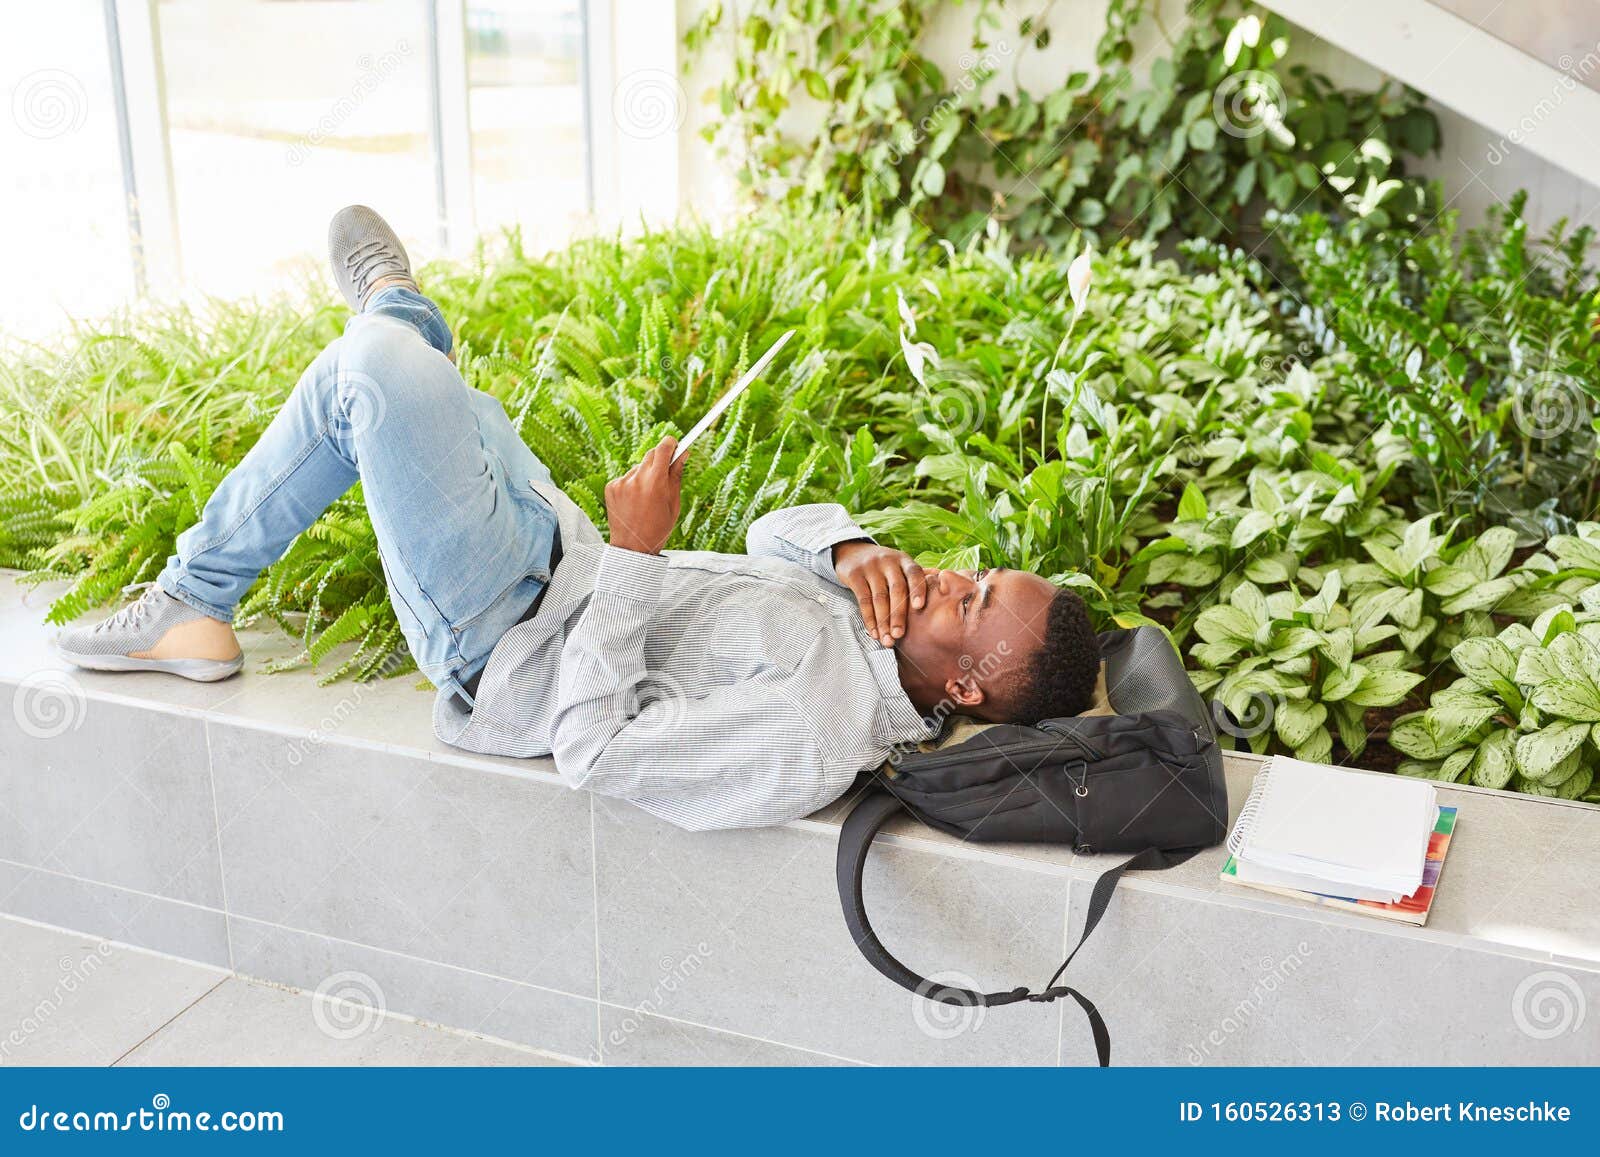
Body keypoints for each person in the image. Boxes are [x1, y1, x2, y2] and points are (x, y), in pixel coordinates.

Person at [57, 207, 1101, 830]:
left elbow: (594, 750)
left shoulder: (811, 732)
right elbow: (768, 531)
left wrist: (641, 553)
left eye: (973, 600)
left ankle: (390, 317)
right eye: (977, 570)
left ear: (961, 684)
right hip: (555, 547)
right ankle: (202, 595)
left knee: (371, 375)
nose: (949, 576)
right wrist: (849, 544)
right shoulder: (875, 613)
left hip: (499, 632)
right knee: (400, 395)